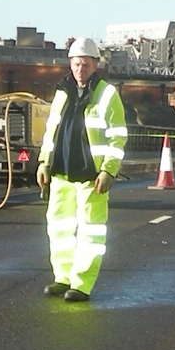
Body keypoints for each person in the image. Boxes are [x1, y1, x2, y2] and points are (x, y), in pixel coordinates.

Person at [36, 38, 127, 303]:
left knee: (91, 230)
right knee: (59, 228)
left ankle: (82, 284)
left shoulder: (107, 94)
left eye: (86, 64)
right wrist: (43, 162)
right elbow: (51, 132)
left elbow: (118, 137)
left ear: (95, 65)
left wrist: (108, 171)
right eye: (76, 64)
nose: (80, 69)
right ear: (70, 64)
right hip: (61, 172)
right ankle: (62, 277)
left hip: (91, 176)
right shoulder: (62, 92)